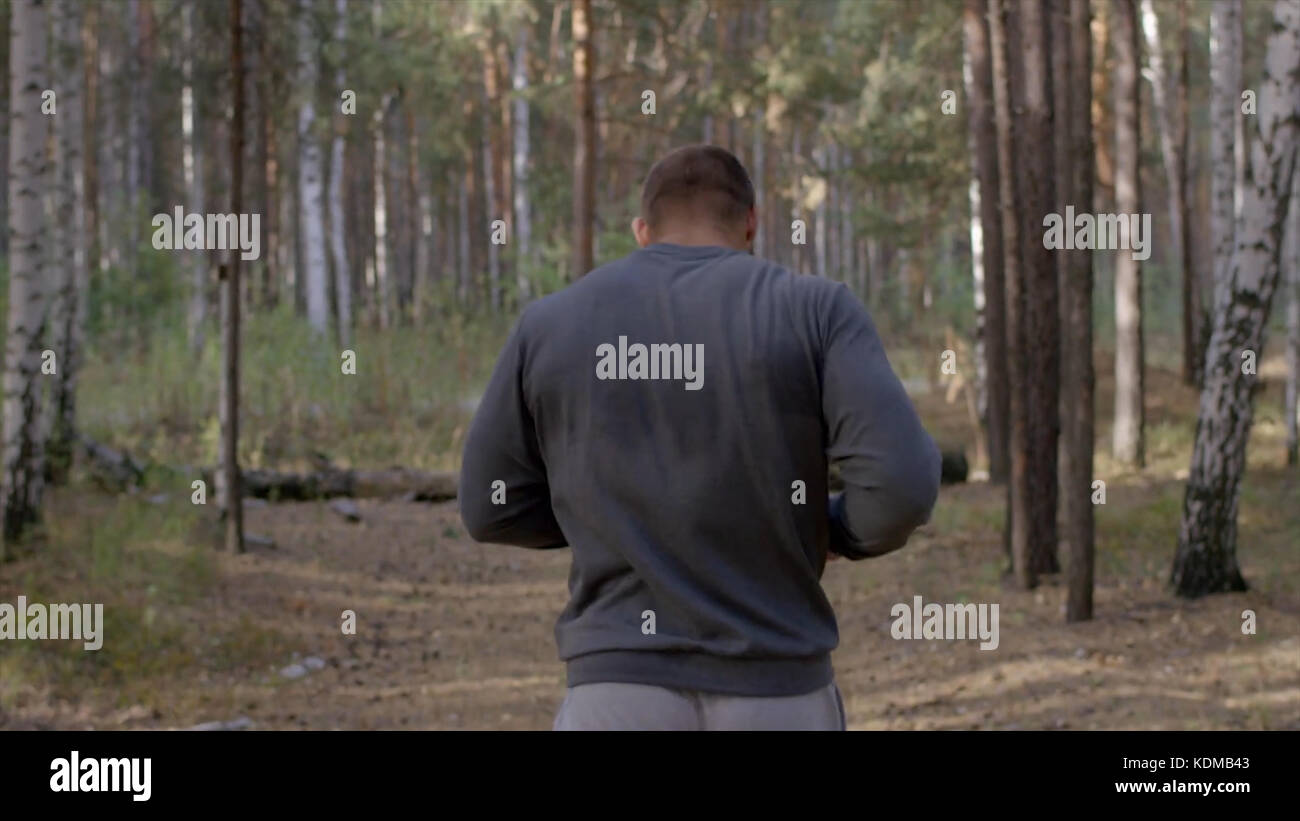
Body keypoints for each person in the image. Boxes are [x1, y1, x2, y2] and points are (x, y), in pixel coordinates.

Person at [459, 144, 941, 730]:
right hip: (777, 690)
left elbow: (489, 506)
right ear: (751, 223)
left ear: (642, 231)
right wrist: (828, 529)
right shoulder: (816, 310)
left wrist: (614, 520)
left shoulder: (550, 322)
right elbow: (903, 486)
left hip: (614, 695)